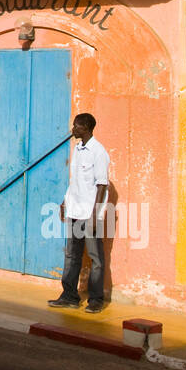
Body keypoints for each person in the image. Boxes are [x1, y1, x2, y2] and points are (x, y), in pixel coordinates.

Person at [48, 112, 110, 313]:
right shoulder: (77, 149)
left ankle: (96, 300)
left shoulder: (98, 152)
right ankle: (69, 296)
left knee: (95, 257)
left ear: (85, 128)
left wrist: (94, 214)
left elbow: (101, 185)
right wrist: (64, 202)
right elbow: (75, 181)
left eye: (75, 126)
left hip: (89, 213)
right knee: (72, 255)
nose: (72, 130)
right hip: (74, 209)